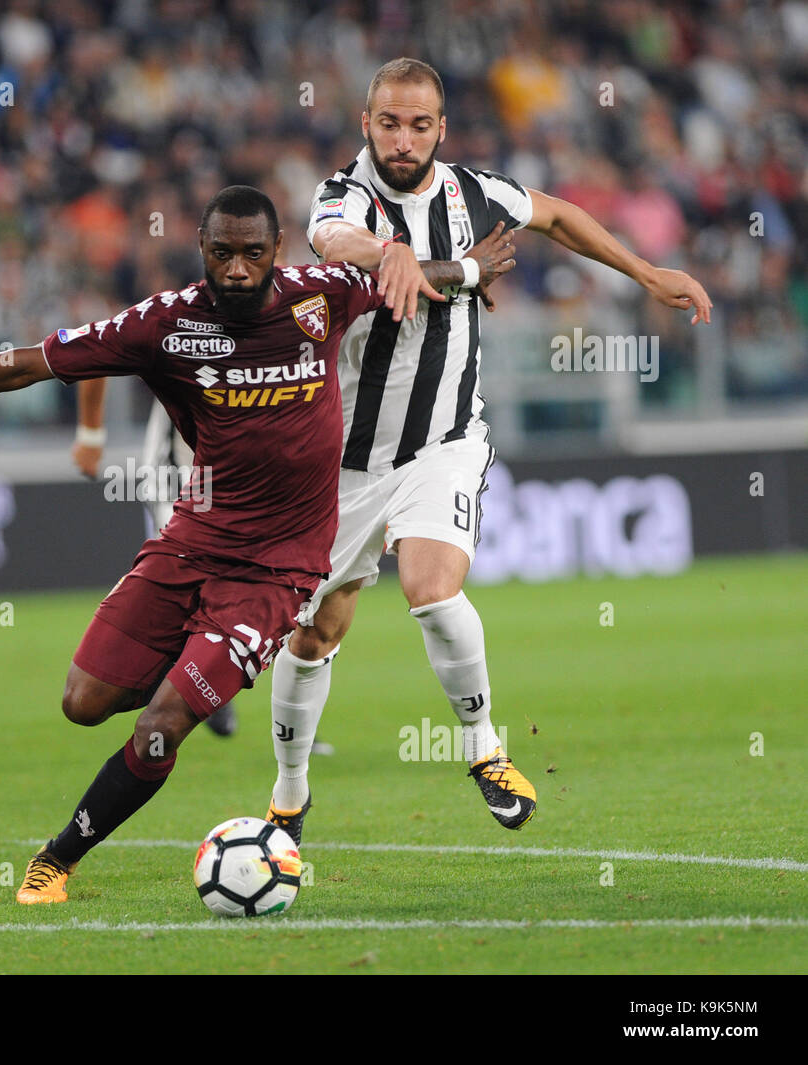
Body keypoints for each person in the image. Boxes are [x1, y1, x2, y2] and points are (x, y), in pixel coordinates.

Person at [0, 186, 502, 903]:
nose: (235, 269)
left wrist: (470, 272)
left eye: (251, 254)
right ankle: (198, 654)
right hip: (191, 541)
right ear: (201, 249)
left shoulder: (322, 296)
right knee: (83, 701)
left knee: (166, 721)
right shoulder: (165, 323)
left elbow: (407, 276)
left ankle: (57, 857)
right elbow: (23, 364)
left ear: (276, 253)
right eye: (221, 253)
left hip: (279, 569)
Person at [265, 58, 713, 842]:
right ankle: (289, 794)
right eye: (389, 123)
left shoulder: (477, 193)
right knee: (314, 633)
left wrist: (644, 271)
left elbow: (560, 215)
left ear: (442, 127)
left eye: (420, 124)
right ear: (366, 123)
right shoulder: (343, 196)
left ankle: (482, 746)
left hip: (444, 441)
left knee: (432, 588)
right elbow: (338, 240)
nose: (404, 138)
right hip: (343, 462)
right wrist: (388, 253)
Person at [70, 385, 241, 737]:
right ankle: (188, 682)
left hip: (250, 473)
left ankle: (292, 715)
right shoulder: (176, 329)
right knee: (190, 572)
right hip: (181, 470)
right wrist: (90, 433)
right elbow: (96, 347)